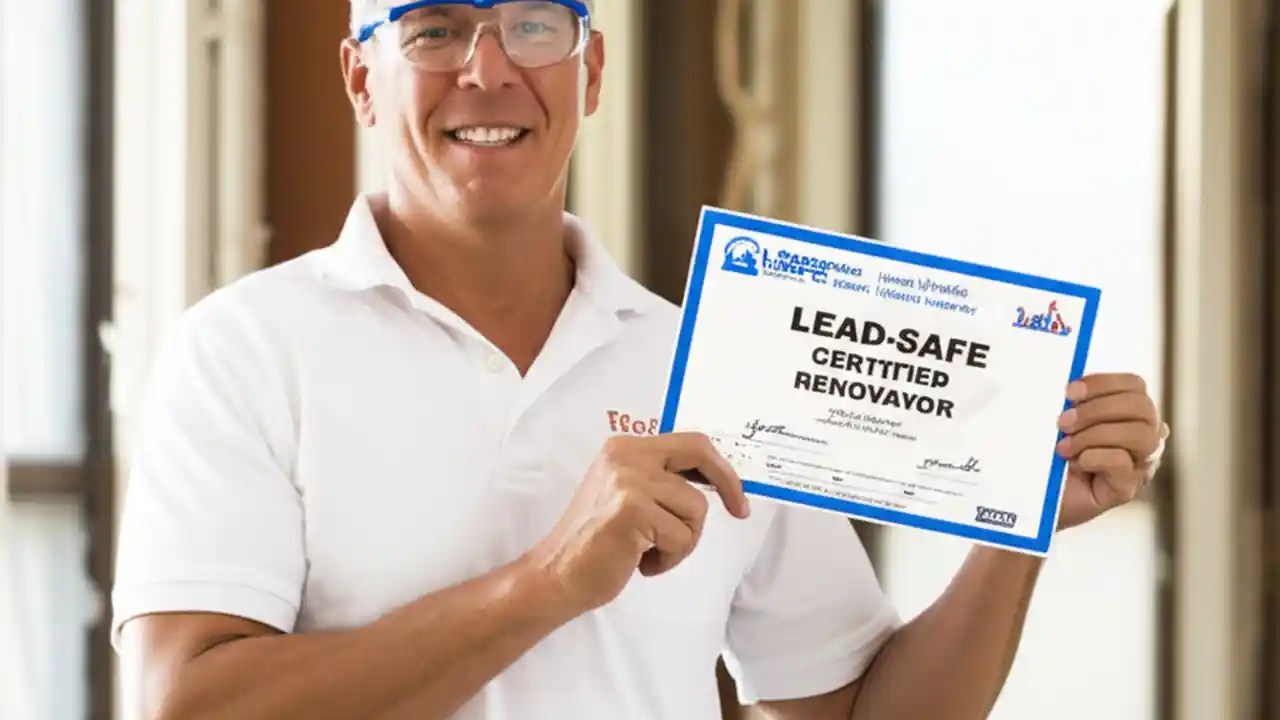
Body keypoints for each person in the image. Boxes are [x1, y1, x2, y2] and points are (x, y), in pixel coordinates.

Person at [111, 1, 1170, 718]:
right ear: (360, 79)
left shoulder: (712, 363)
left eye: (534, 25)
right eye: (433, 29)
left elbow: (852, 712)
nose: (488, 69)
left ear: (591, 71)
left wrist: (1018, 515)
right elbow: (188, 704)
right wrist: (547, 583)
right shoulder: (244, 350)